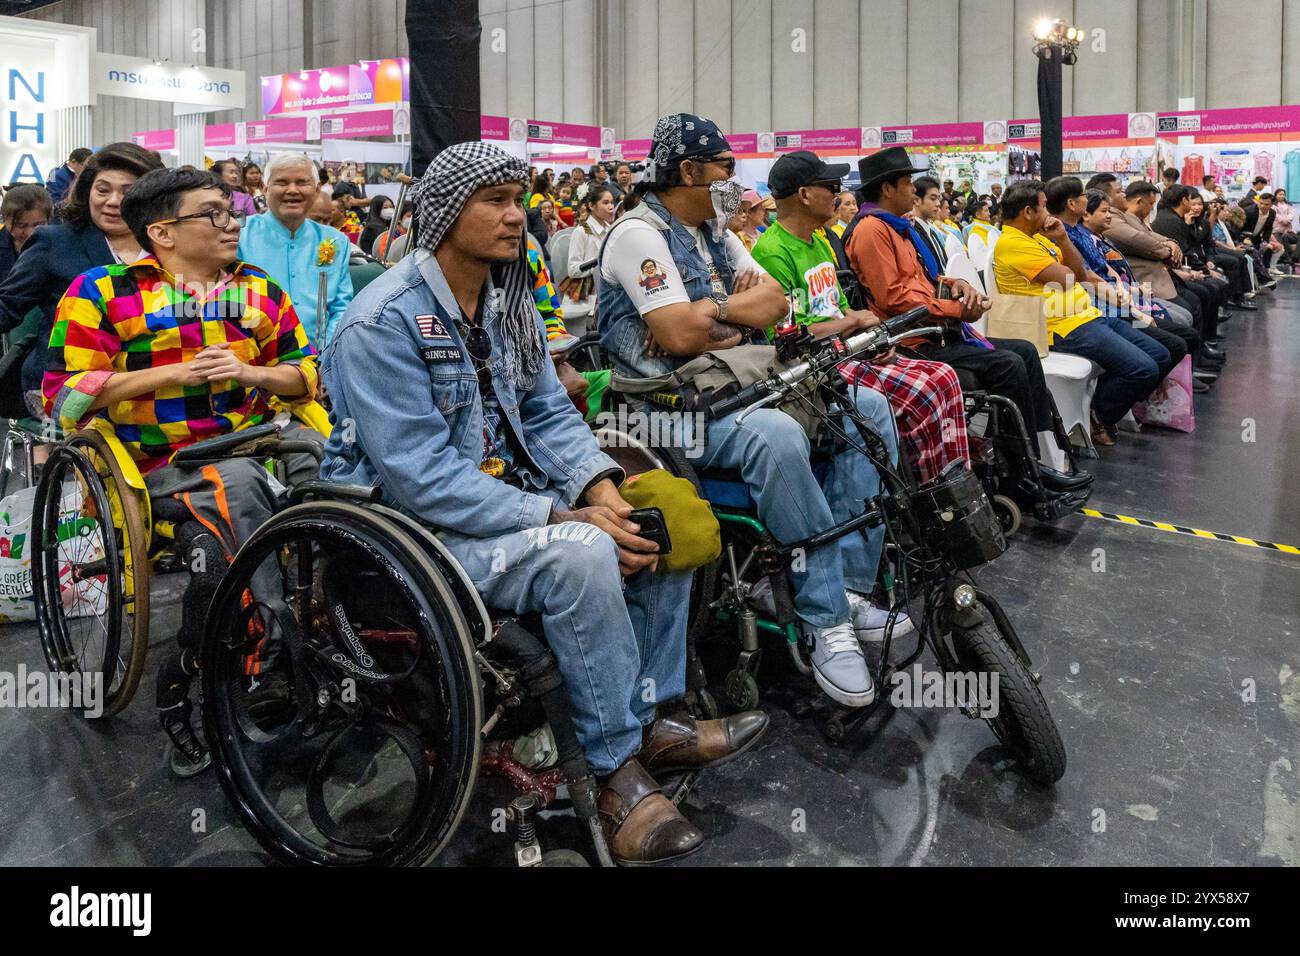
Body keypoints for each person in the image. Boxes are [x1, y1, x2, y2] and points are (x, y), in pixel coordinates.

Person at [321, 141, 766, 864]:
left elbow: (550, 414)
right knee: (585, 552)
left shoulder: (505, 299)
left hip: (511, 493)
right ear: (442, 212)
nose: (513, 215)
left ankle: (652, 714)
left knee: (662, 512)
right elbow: (420, 477)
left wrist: (597, 485)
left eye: (516, 199)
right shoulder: (382, 322)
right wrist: (560, 517)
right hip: (417, 530)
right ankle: (615, 769)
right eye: (492, 201)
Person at [597, 113, 907, 708]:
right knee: (776, 435)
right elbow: (679, 335)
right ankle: (823, 621)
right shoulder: (639, 234)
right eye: (725, 168)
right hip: (662, 411)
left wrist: (711, 310)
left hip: (734, 385)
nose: (734, 183)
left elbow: (775, 304)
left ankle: (848, 586)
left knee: (866, 406)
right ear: (688, 170)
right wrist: (725, 312)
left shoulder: (717, 229)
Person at [43, 166, 321, 775]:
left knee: (337, 482)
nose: (231, 224)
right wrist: (171, 374)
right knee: (237, 501)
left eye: (232, 211)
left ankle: (342, 642)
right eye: (214, 214)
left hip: (259, 440)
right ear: (164, 232)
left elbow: (304, 373)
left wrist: (251, 374)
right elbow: (63, 396)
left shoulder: (258, 290)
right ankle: (248, 662)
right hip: (159, 465)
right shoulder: (102, 291)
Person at [852, 161, 1089, 504]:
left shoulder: (897, 228)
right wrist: (956, 308)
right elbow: (895, 299)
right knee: (1008, 363)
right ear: (887, 189)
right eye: (907, 183)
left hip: (933, 327)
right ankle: (1019, 476)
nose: (912, 190)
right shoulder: (872, 231)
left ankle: (1032, 461)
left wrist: (956, 284)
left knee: (1022, 350)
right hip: (913, 340)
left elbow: (923, 283)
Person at [757, 150, 969, 486]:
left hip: (845, 351)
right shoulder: (772, 252)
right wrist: (856, 324)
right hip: (813, 366)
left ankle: (952, 486)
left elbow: (841, 309)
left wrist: (869, 335)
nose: (840, 194)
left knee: (944, 377)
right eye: (831, 186)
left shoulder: (818, 242)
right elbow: (789, 335)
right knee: (924, 391)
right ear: (804, 194)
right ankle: (928, 494)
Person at [993, 179, 1161, 447]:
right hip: (1059, 326)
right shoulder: (1012, 243)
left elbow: (1080, 273)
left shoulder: (1039, 237)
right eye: (1044, 206)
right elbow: (1069, 279)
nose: (1049, 212)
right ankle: (1099, 418)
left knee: (1160, 353)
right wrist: (1063, 245)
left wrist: (1061, 239)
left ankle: (1098, 410)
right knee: (1143, 369)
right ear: (1028, 211)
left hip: (1086, 314)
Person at [0, 142, 164, 414]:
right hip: (68, 383)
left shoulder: (167, 243)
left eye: (128, 191)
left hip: (152, 380)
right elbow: (7, 306)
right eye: (103, 190)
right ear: (88, 191)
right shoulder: (55, 242)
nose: (113, 201)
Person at [1047, 178, 1184, 386]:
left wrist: (1127, 295)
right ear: (1074, 205)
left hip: (1113, 302)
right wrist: (1133, 308)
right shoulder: (1062, 236)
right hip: (1101, 307)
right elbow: (1087, 278)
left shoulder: (1083, 234)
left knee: (1175, 333)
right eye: (1104, 210)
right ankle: (1112, 408)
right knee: (1170, 344)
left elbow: (1100, 271)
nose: (1109, 213)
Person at [1100, 179, 1226, 371]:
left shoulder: (1121, 218)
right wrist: (1168, 250)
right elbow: (1138, 240)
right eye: (1119, 192)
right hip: (1138, 286)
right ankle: (1191, 366)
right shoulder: (1114, 222)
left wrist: (1170, 243)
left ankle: (1197, 357)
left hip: (1139, 287)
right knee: (1187, 312)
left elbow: (1149, 237)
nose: (1123, 195)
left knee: (1195, 303)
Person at [237, 152, 354, 350]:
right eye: (282, 182)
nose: (292, 190)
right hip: (257, 362)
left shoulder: (334, 241)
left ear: (317, 190)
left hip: (321, 360)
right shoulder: (239, 236)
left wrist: (326, 357)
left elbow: (341, 307)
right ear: (265, 189)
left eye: (302, 182)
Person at [561, 183, 615, 331]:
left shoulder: (611, 229)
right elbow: (573, 270)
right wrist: (598, 262)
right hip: (589, 293)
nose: (611, 207)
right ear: (591, 206)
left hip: (609, 288)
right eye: (605, 203)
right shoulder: (581, 231)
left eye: (612, 202)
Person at [0, 184, 52, 283]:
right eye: (21, 225)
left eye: (38, 225)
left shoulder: (60, 245)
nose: (30, 233)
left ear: (48, 219)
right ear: (5, 220)